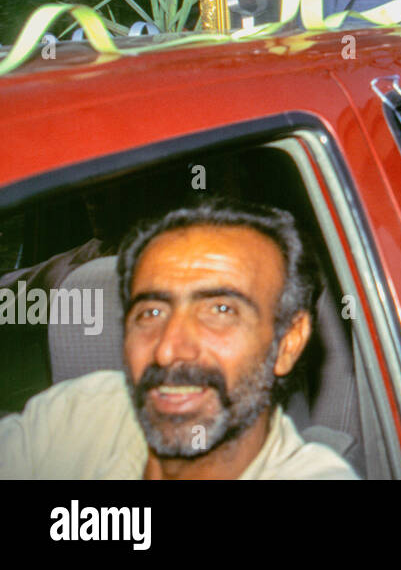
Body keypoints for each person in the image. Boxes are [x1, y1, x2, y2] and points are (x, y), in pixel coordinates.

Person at [0, 198, 358, 479]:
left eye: (220, 311)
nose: (169, 348)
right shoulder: (81, 412)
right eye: (151, 313)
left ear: (288, 343)